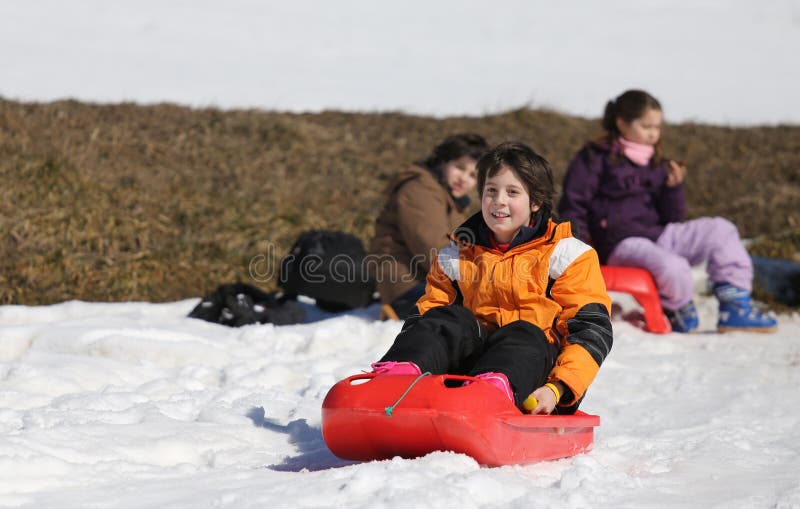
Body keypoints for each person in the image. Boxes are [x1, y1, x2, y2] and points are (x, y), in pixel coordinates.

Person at [369, 142, 613, 415]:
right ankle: (397, 381)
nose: (499, 201)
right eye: (491, 191)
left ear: (535, 202)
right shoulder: (457, 254)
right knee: (449, 319)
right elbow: (426, 317)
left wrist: (559, 388)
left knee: (524, 330)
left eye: (512, 192)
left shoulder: (567, 254)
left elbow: (591, 332)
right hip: (466, 374)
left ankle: (491, 392)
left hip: (533, 376)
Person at [558, 89, 776, 333]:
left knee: (721, 230)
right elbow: (573, 204)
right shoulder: (594, 158)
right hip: (621, 244)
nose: (653, 133)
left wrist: (673, 188)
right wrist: (578, 250)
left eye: (657, 127)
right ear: (622, 123)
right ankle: (678, 308)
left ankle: (735, 305)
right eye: (646, 126)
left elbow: (672, 217)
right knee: (674, 267)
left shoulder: (655, 162)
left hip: (658, 234)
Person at [369, 133, 489, 320]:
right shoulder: (420, 190)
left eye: (473, 175)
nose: (464, 179)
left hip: (429, 283)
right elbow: (432, 250)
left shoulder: (450, 200)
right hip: (405, 285)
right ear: (442, 161)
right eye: (459, 167)